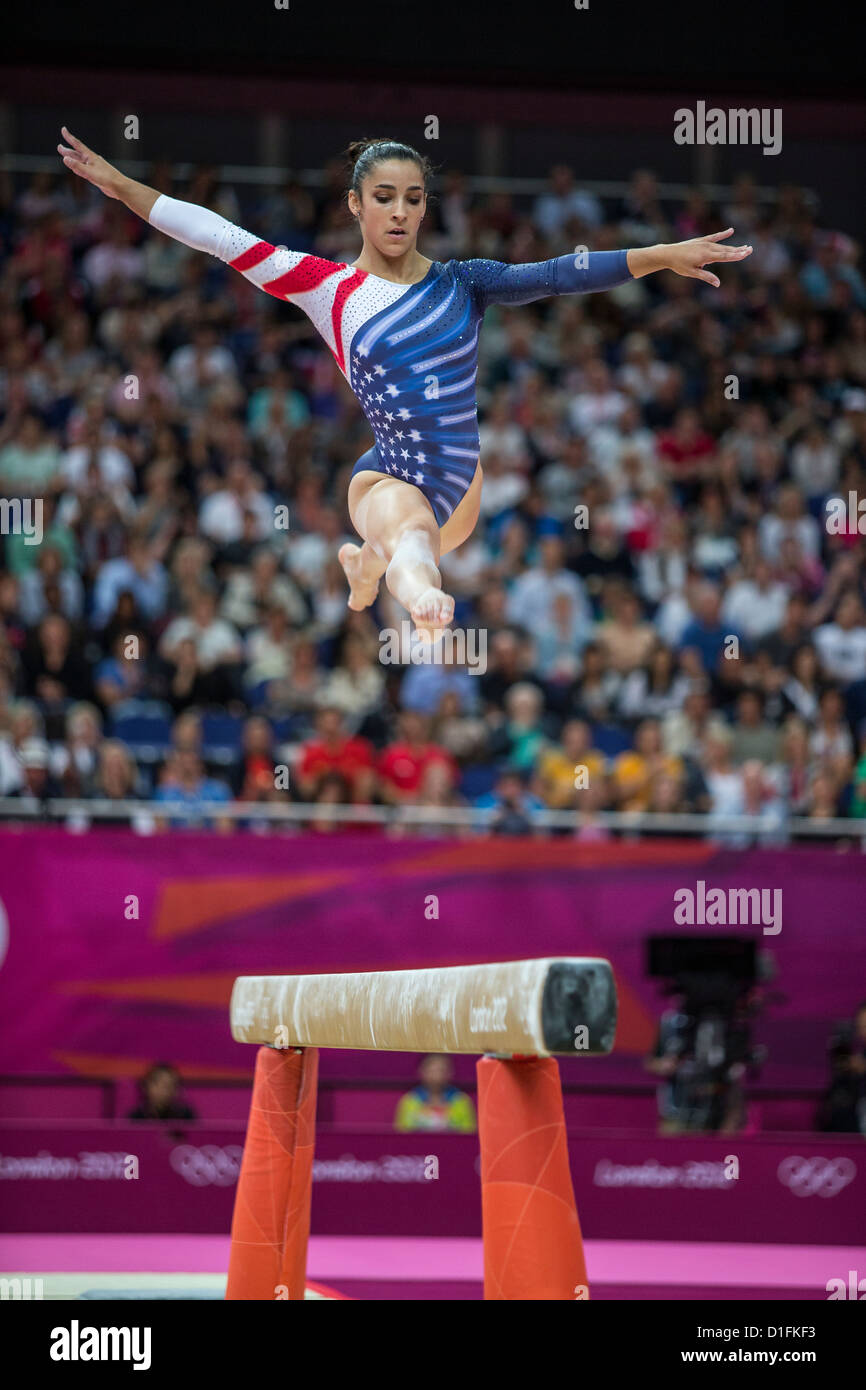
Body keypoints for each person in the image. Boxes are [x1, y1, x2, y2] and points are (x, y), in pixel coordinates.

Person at [58, 126, 752, 642]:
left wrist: (662, 254)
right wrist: (122, 187)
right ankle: (419, 599)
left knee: (411, 535)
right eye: (383, 197)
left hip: (465, 489)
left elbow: (559, 274)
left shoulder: (463, 283)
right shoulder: (326, 288)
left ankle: (366, 570)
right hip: (388, 478)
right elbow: (218, 235)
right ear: (355, 205)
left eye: (412, 199)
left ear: (425, 210)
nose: (398, 211)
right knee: (412, 538)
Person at [394, 1055, 476, 1133]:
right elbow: (402, 1134)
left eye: (441, 1070)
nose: (437, 1076)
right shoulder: (409, 1100)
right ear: (421, 1072)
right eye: (431, 1070)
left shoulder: (461, 1101)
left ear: (450, 1073)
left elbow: (468, 1134)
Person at [128, 1063, 198, 1122]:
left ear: (177, 1090)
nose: (163, 1088)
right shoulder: (135, 1117)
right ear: (145, 1087)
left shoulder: (187, 1116)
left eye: (169, 1084)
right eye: (157, 1083)